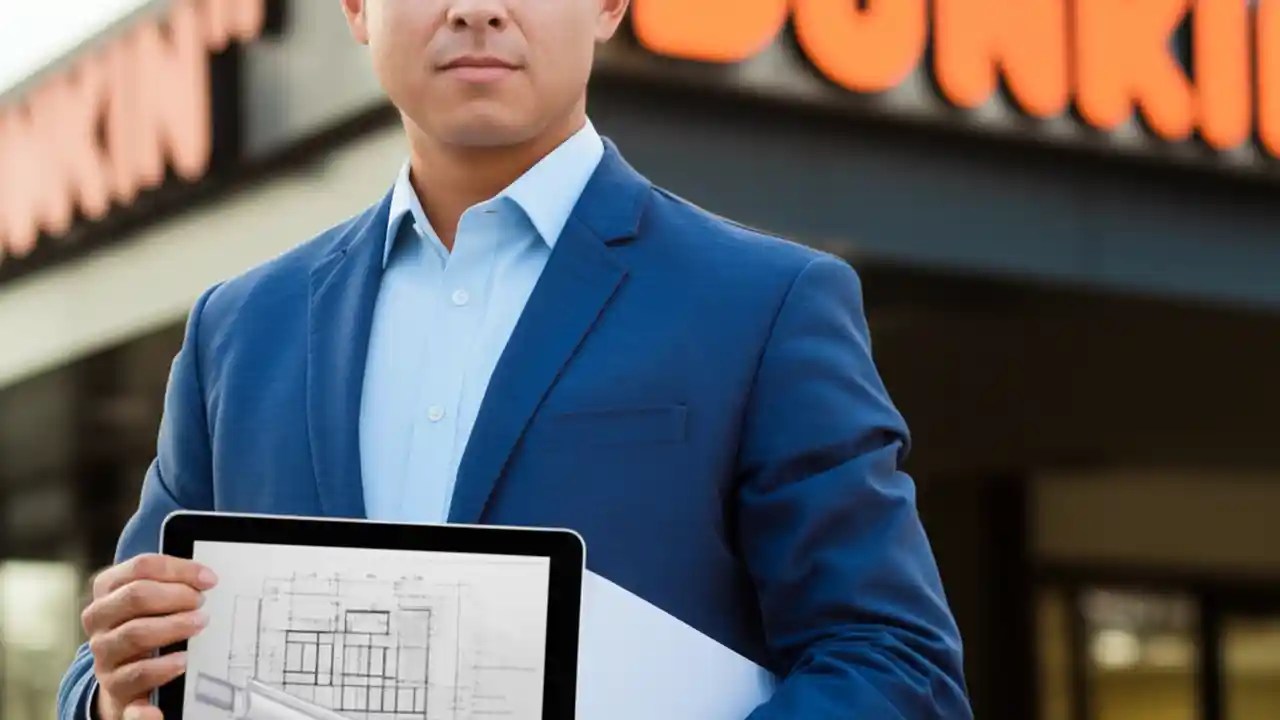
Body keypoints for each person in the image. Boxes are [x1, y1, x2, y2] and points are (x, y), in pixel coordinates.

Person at [57, 1, 972, 718]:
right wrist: (110, 694)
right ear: (355, 7)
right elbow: (116, 662)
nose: (476, 9)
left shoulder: (765, 303)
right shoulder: (239, 330)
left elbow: (894, 664)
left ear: (609, 4)